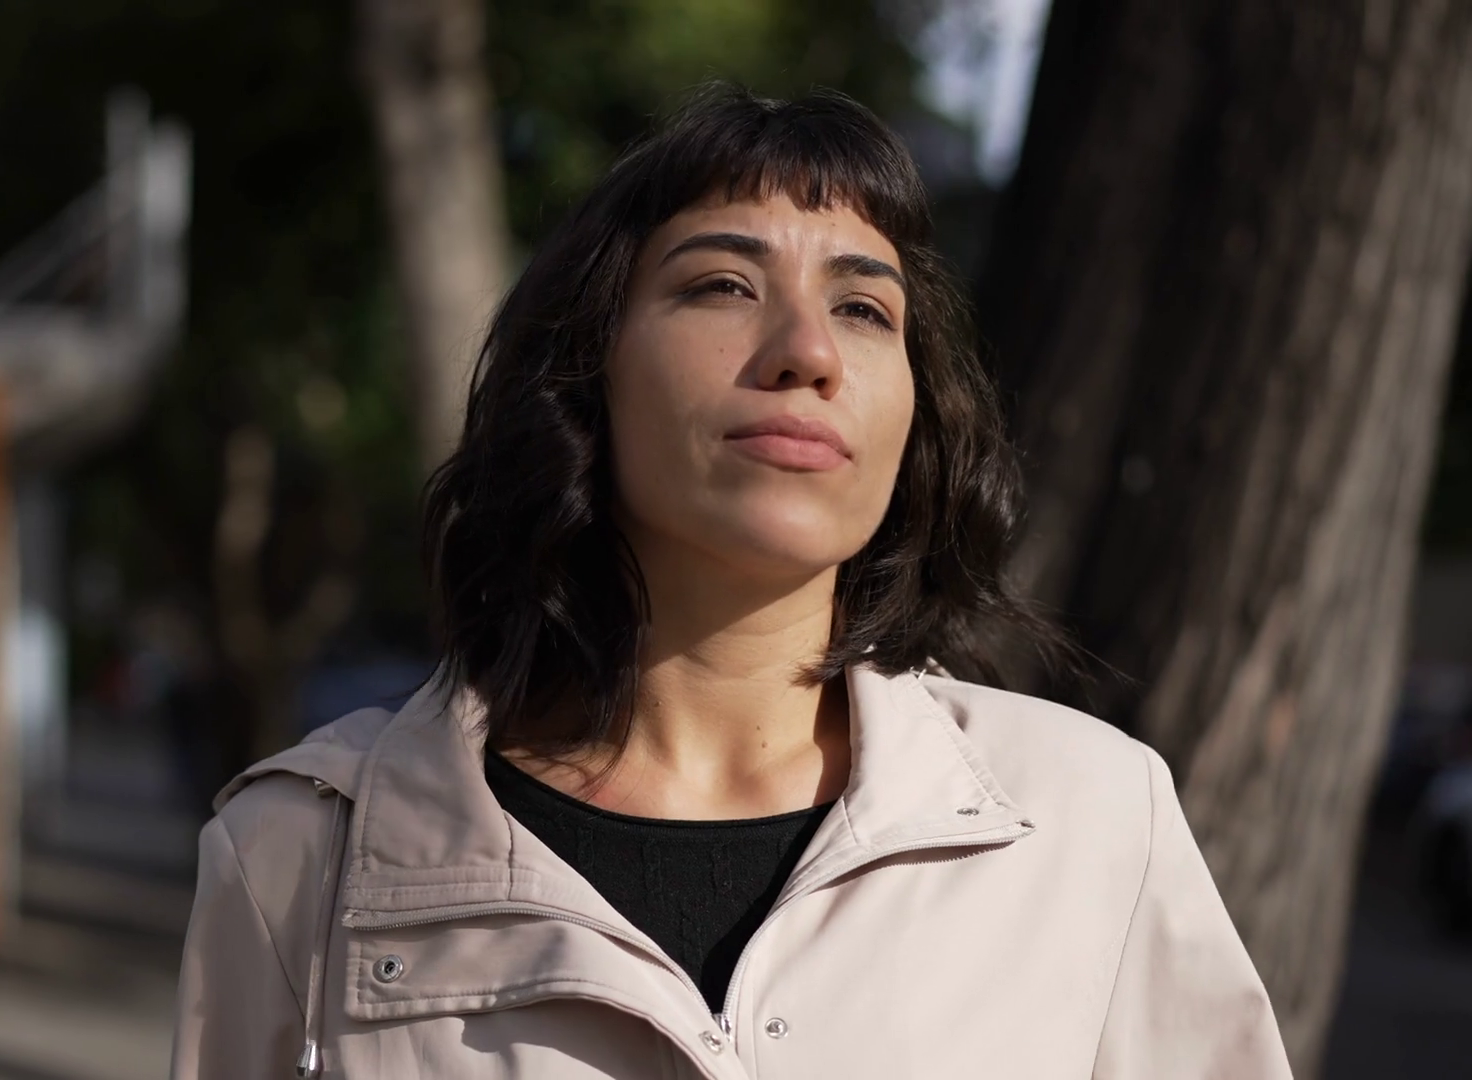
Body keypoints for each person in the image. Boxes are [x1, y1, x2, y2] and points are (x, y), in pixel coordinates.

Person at [171, 85, 1292, 1079]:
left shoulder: (1091, 819)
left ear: (914, 413)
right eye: (721, 284)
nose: (806, 349)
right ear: (583, 373)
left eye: (864, 308)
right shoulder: (300, 857)